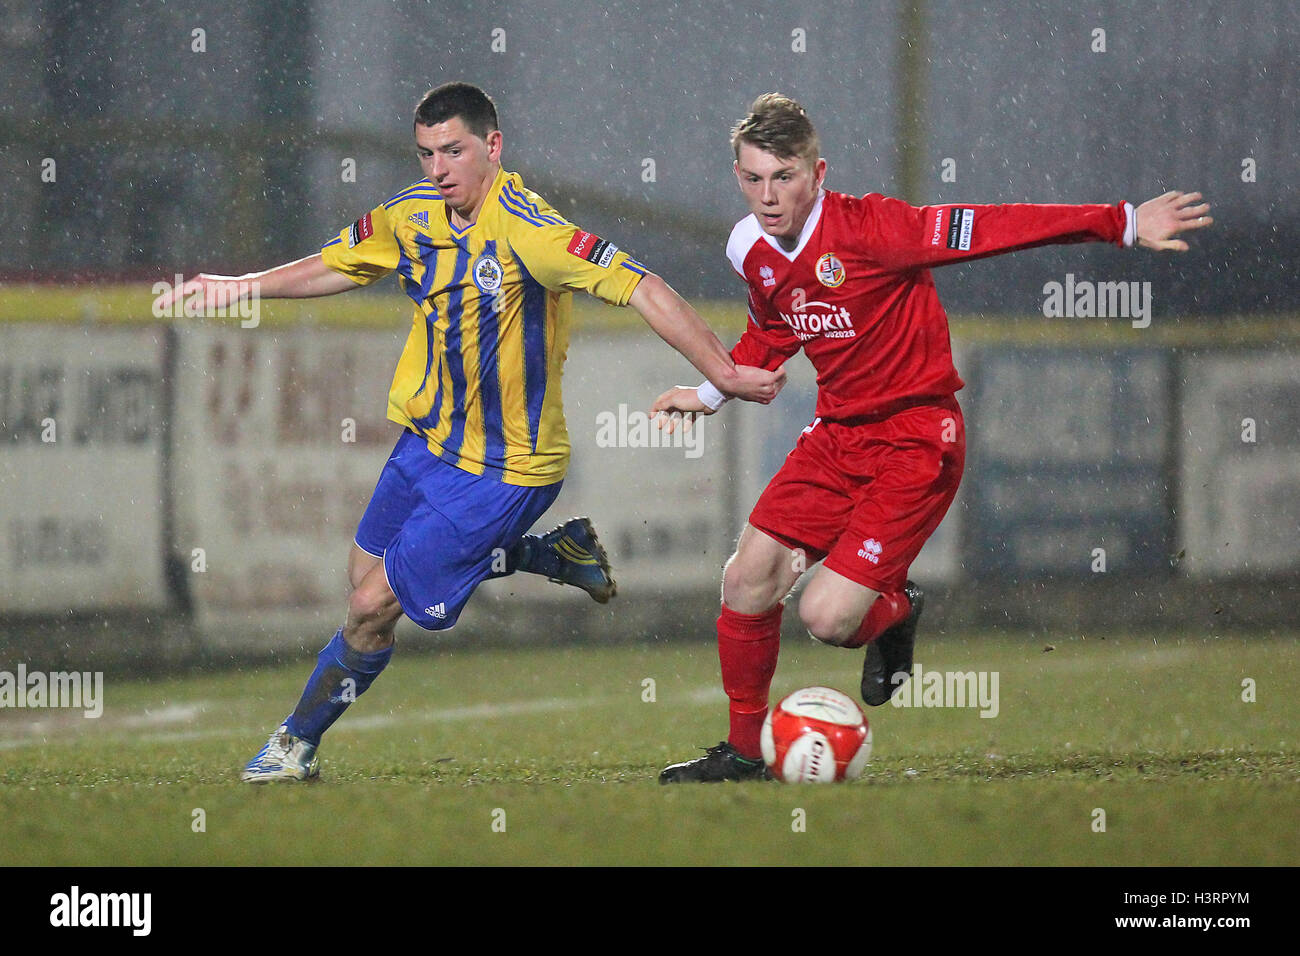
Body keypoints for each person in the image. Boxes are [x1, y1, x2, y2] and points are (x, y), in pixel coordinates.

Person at [152, 82, 784, 783]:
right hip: (426, 445)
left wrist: (721, 373)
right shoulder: (412, 215)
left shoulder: (529, 228)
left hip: (506, 468)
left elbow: (642, 286)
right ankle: (543, 555)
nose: (438, 167)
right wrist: (241, 286)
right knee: (361, 585)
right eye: (426, 153)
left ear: (493, 146)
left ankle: (294, 746)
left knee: (369, 609)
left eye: (453, 150)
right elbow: (337, 263)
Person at [654, 92, 1212, 783]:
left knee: (827, 619)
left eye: (784, 176)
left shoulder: (875, 229)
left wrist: (1121, 222)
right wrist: (711, 391)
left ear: (818, 173)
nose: (768, 196)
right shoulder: (751, 248)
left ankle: (893, 613)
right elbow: (775, 326)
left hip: (917, 438)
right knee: (746, 579)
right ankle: (743, 752)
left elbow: (992, 227)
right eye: (752, 178)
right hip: (837, 435)